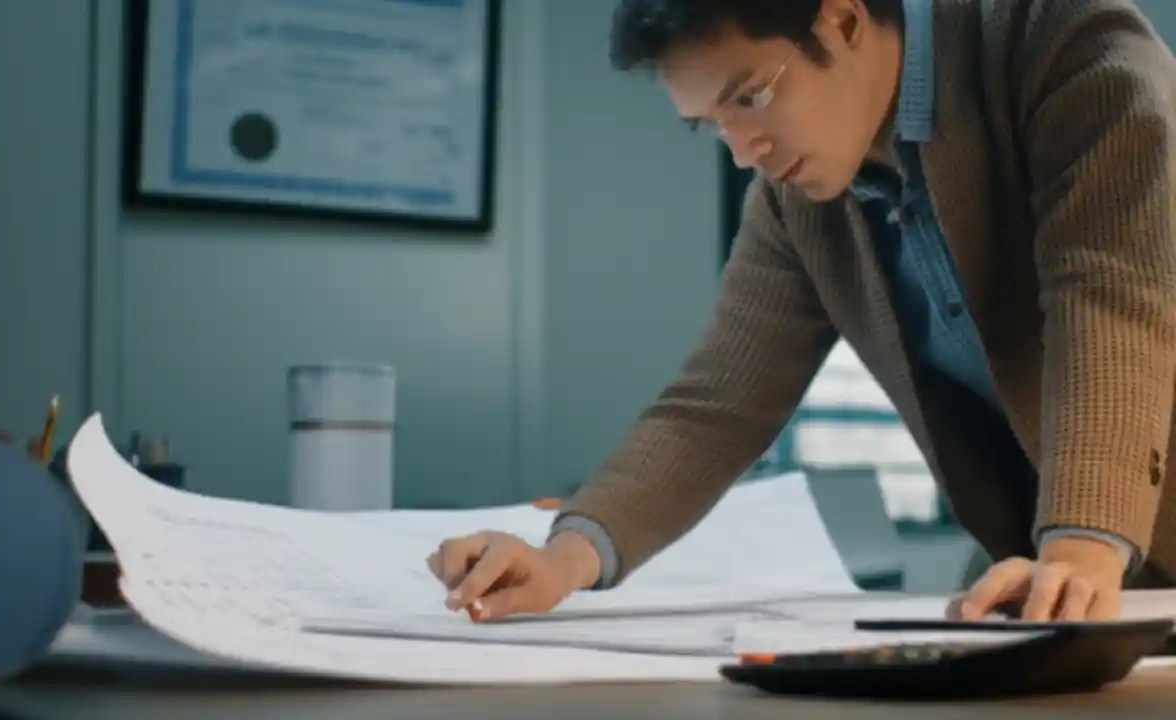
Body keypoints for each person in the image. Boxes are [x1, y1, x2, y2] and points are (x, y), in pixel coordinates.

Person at [426, 0, 1176, 623]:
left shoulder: (1067, 46)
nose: (743, 151)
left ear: (842, 21)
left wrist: (1079, 547)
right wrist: (563, 560)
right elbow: (716, 403)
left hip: (1093, 554)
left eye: (751, 96)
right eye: (710, 122)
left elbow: (1110, 296)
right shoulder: (799, 200)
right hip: (1086, 583)